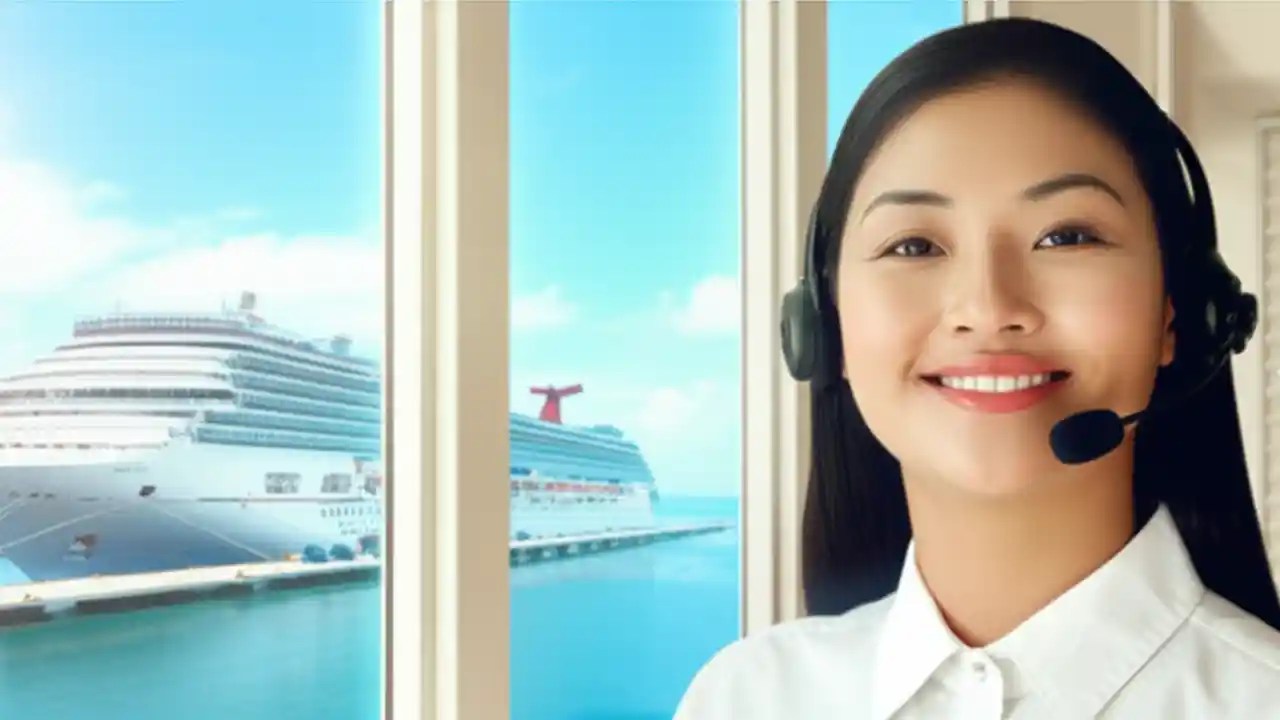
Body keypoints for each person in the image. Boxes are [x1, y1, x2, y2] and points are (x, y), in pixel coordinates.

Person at [674, 17, 1280, 720]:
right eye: (913, 246)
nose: (988, 308)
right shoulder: (747, 697)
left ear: (1182, 315)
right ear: (824, 326)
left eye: (1067, 236)